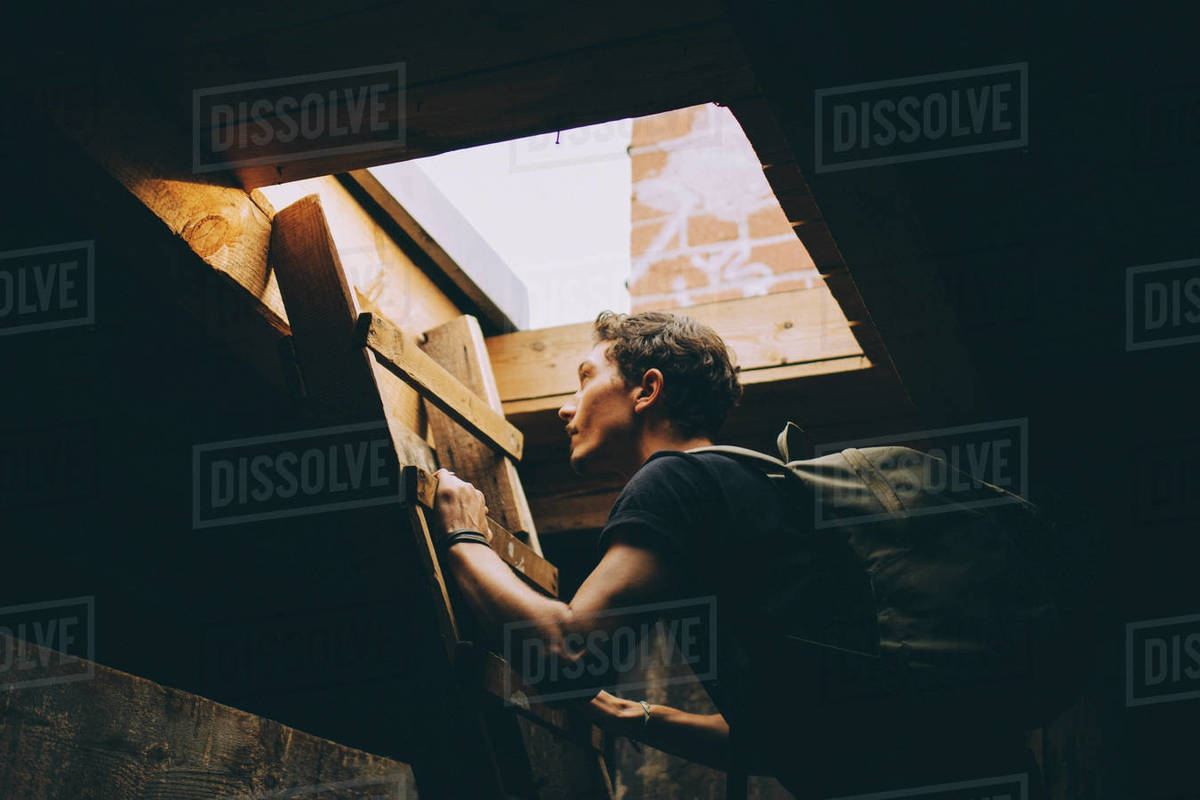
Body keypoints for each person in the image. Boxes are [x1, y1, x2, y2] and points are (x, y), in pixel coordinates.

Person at [431, 309, 811, 791]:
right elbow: (778, 743)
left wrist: (464, 537)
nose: (565, 409)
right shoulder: (751, 487)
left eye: (586, 379)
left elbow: (570, 656)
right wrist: (623, 712)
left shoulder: (674, 477)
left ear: (647, 391)